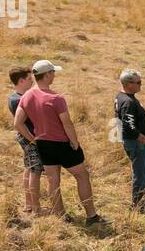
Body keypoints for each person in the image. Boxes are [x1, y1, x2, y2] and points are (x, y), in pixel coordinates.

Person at [14, 60, 105, 225]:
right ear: (47, 74)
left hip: (43, 144)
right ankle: (91, 216)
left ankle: (61, 216)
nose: (54, 75)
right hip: (62, 144)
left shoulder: (26, 96)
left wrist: (33, 140)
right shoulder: (56, 98)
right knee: (82, 176)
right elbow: (67, 123)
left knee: (53, 180)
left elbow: (17, 123)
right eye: (53, 72)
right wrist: (75, 142)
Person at [114, 68, 145, 210]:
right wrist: (140, 136)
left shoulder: (125, 97)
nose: (140, 85)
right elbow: (127, 125)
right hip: (136, 143)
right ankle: (138, 206)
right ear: (127, 83)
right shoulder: (127, 101)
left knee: (144, 171)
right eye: (138, 82)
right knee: (141, 174)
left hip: (137, 142)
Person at [7, 66, 42, 215]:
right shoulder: (19, 100)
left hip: (25, 136)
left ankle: (29, 204)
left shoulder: (13, 97)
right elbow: (20, 123)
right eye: (29, 79)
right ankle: (36, 208)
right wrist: (33, 140)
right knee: (35, 170)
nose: (32, 82)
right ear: (21, 81)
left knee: (28, 168)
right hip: (29, 137)